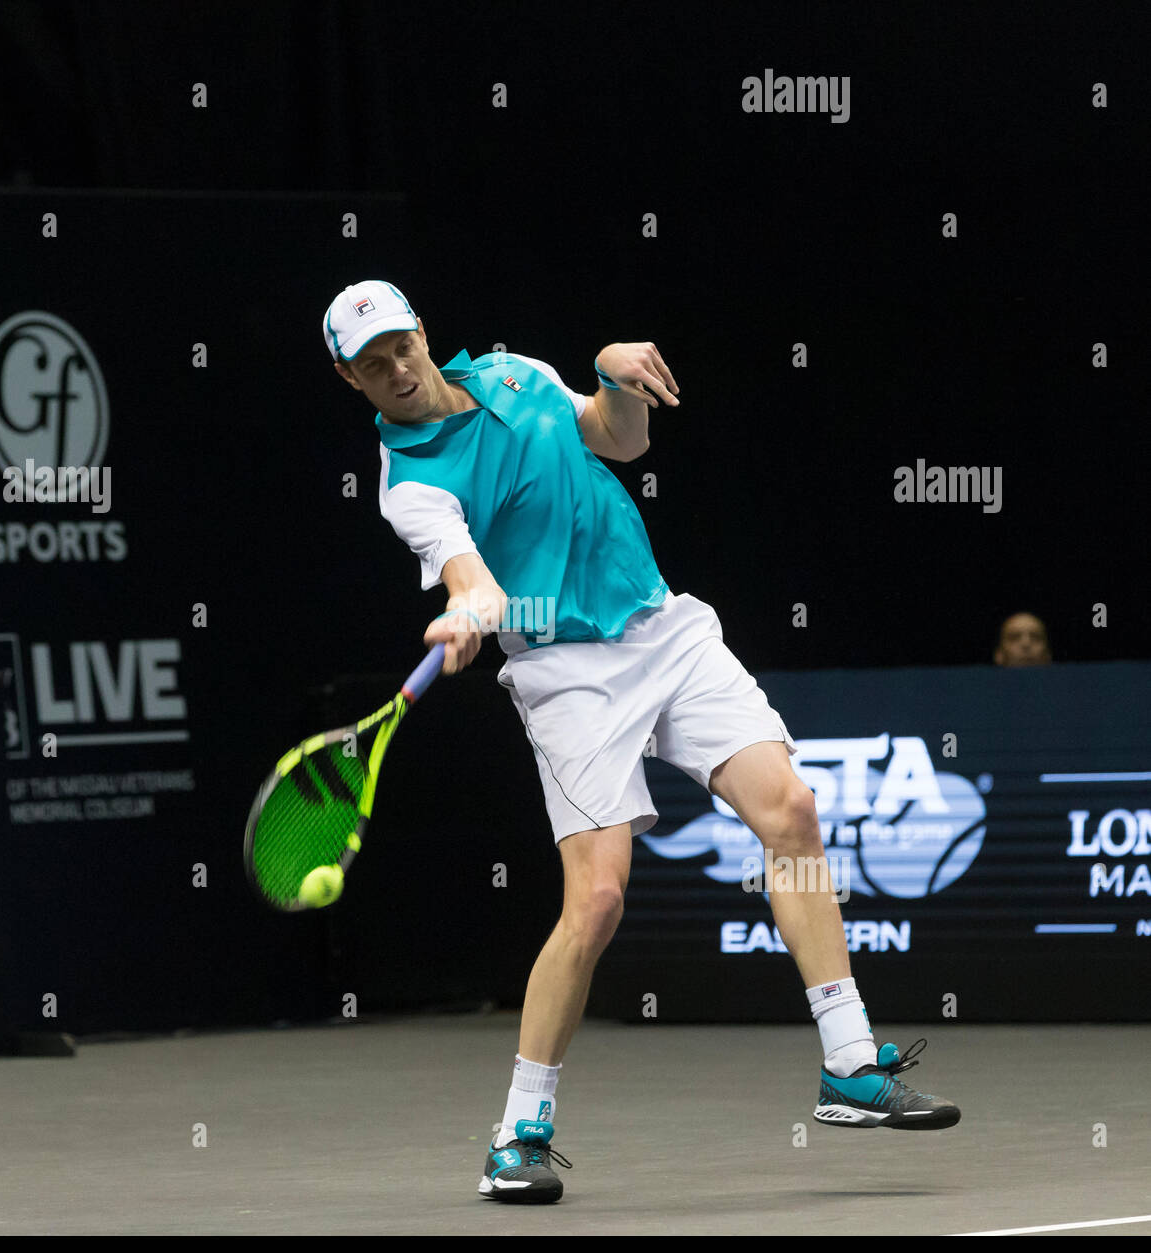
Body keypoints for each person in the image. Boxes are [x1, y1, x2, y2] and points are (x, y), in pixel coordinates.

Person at [324, 279, 961, 1205]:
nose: (396, 372)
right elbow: (468, 573)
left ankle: (851, 1063)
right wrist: (470, 604)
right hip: (565, 672)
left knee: (791, 809)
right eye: (372, 367)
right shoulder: (411, 483)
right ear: (352, 381)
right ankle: (518, 1132)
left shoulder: (517, 373)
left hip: (661, 624)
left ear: (424, 333)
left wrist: (614, 381)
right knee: (600, 898)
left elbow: (615, 438)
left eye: (400, 348)